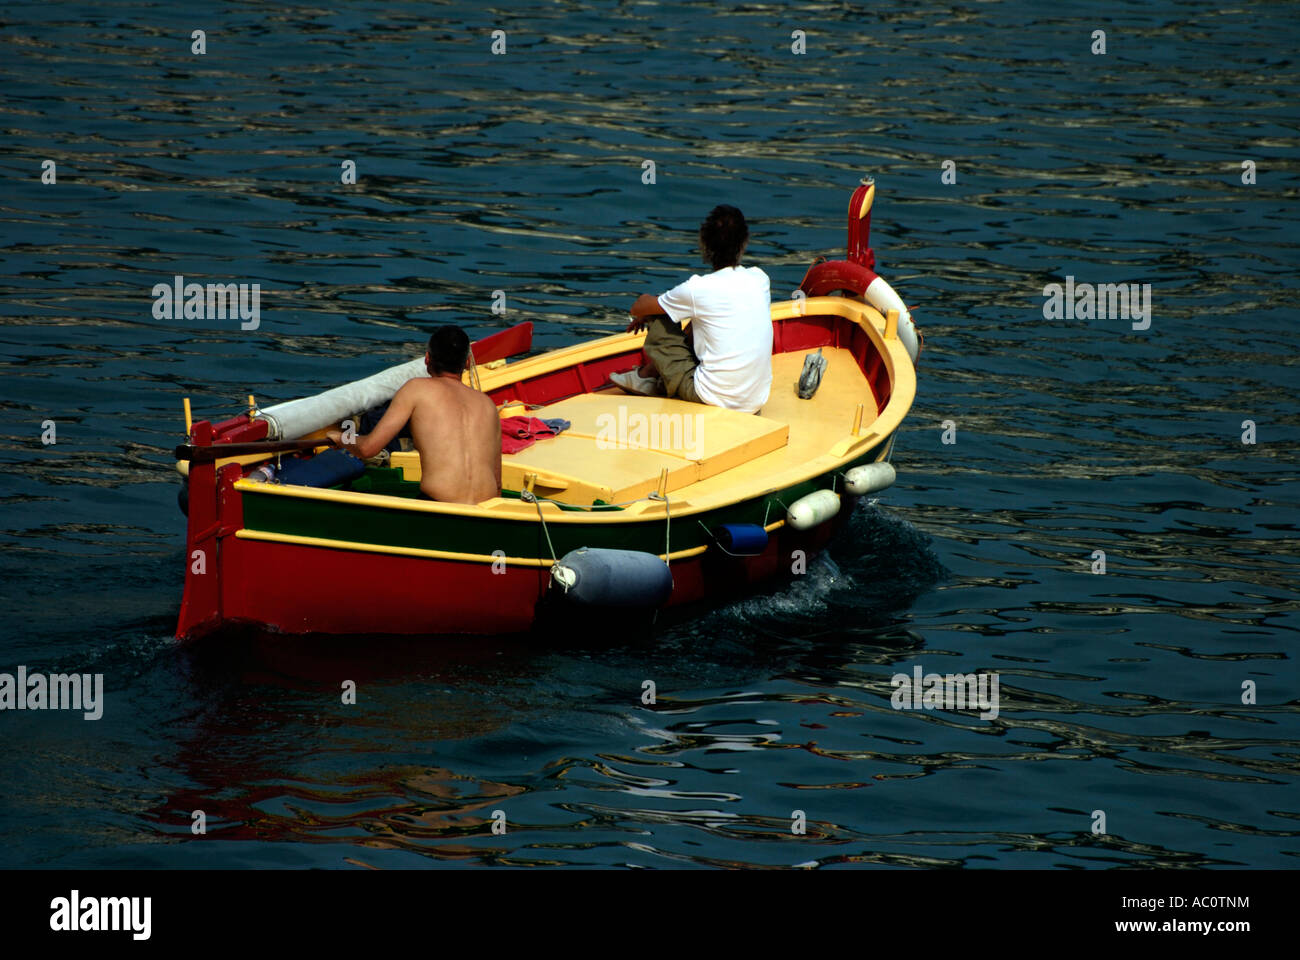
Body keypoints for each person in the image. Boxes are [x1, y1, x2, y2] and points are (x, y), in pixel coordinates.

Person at [612, 205, 773, 415]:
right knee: (700, 319)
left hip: (710, 398)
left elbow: (639, 305)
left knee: (660, 314)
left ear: (703, 243)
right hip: (754, 402)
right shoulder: (760, 278)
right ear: (744, 242)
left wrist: (647, 314)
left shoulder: (698, 288)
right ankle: (651, 374)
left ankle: (644, 378)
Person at [327, 327, 502, 504]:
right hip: (487, 512)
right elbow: (498, 484)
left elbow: (368, 448)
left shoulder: (415, 389)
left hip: (440, 508)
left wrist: (342, 438)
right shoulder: (487, 404)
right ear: (467, 363)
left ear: (427, 359)